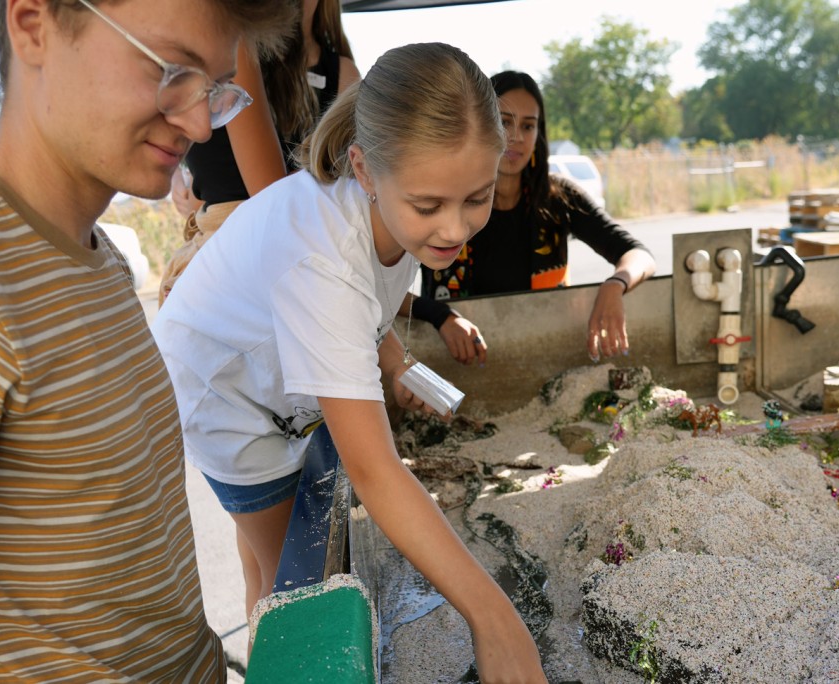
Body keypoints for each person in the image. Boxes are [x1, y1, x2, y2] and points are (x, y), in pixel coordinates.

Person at [152, 43, 547, 680]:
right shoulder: (321, 255)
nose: (453, 228)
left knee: (262, 564)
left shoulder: (387, 204)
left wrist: (395, 362)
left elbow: (368, 301)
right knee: (290, 584)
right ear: (363, 169)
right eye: (429, 207)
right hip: (222, 397)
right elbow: (374, 469)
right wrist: (493, 617)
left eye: (475, 199)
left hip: (248, 366)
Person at [0, 0, 292, 679]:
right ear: (33, 24)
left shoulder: (98, 258)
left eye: (215, 91)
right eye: (170, 70)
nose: (197, 122)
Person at [410, 70, 656, 365]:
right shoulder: (442, 197)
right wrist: (440, 316)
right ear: (478, 124)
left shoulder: (559, 199)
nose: (515, 137)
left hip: (544, 366)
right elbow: (378, 286)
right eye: (503, 122)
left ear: (539, 134)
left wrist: (616, 284)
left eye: (528, 126)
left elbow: (639, 255)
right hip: (451, 367)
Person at [158, 0, 361, 306]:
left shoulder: (340, 71)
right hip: (245, 258)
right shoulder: (238, 45)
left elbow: (352, 196)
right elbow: (272, 196)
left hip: (299, 253)